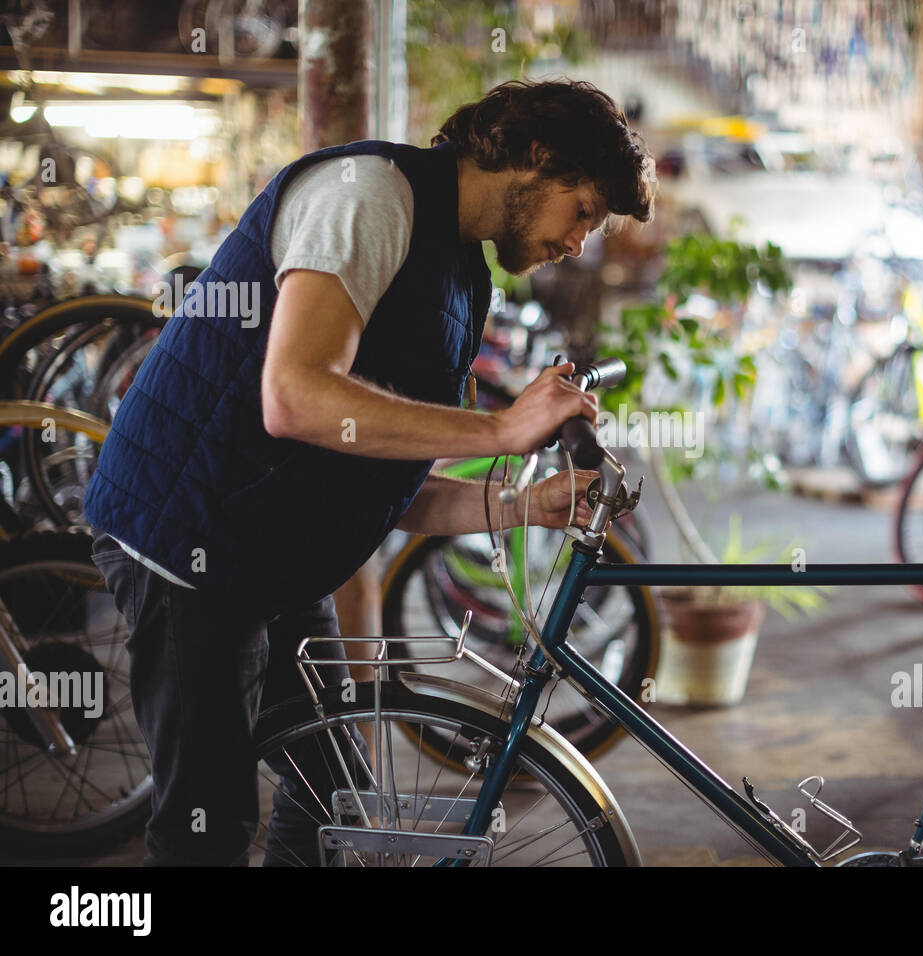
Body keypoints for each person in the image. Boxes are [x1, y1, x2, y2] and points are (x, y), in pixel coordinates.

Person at [83, 79, 656, 865]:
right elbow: (295, 396)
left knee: (333, 795)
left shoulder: (463, 274)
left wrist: (528, 504)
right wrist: (499, 426)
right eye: (585, 209)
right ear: (535, 157)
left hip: (269, 549)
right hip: (188, 539)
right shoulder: (372, 198)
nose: (580, 242)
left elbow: (388, 481)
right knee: (206, 827)